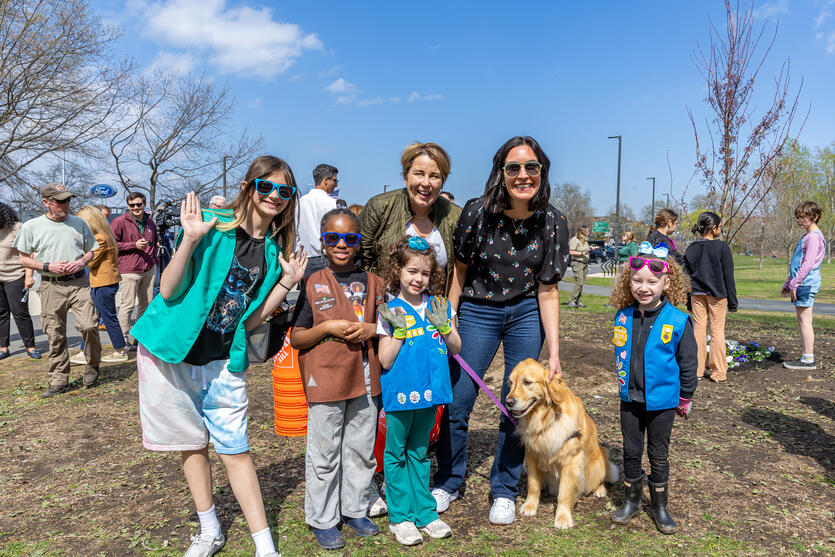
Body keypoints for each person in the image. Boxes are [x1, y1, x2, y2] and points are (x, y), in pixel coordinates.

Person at [130, 156, 306, 557]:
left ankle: (266, 548)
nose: (274, 197)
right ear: (248, 186)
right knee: (191, 444)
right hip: (169, 354)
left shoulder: (274, 249)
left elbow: (252, 318)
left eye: (284, 191)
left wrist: (286, 283)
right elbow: (170, 291)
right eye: (266, 187)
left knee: (236, 449)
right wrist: (190, 238)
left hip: (224, 361)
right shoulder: (210, 225)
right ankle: (209, 530)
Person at [432, 136, 569, 525]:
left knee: (518, 408)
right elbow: (458, 272)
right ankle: (448, 480)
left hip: (526, 311)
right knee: (457, 400)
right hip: (477, 309)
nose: (523, 175)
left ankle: (505, 489)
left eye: (531, 167)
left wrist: (554, 352)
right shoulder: (477, 212)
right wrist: (451, 318)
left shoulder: (553, 221)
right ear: (501, 173)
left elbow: (548, 290)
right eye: (514, 168)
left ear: (542, 171)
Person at [289, 208, 385, 550]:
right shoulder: (312, 283)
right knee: (325, 450)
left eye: (349, 238)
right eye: (333, 238)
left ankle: (356, 508)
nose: (341, 244)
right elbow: (297, 337)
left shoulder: (375, 283)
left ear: (358, 242)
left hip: (365, 376)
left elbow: (395, 325)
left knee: (360, 448)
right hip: (326, 378)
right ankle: (323, 518)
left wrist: (373, 328)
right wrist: (326, 327)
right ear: (323, 241)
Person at [609, 241, 697, 534]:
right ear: (628, 281)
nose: (643, 287)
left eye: (651, 281)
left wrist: (686, 397)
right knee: (631, 451)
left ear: (666, 282)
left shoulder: (678, 320)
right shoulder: (623, 316)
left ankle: (660, 505)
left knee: (658, 453)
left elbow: (688, 363)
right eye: (637, 280)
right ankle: (632, 500)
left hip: (662, 403)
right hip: (630, 400)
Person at [377, 236, 460, 545]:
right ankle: (400, 517)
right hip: (400, 397)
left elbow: (457, 348)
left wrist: (446, 327)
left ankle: (425, 512)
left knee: (420, 453)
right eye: (412, 271)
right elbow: (385, 359)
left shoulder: (439, 306)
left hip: (430, 396)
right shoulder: (389, 310)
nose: (418, 279)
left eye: (425, 273)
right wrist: (397, 332)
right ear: (397, 270)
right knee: (396, 455)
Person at [14, 183, 101, 397]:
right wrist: (47, 266)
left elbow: (92, 251)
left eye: (68, 200)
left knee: (89, 325)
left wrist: (82, 262)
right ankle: (59, 379)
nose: (66, 204)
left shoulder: (79, 223)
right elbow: (23, 258)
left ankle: (92, 365)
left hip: (79, 282)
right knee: (55, 332)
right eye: (60, 201)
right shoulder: (31, 226)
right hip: (51, 285)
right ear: (46, 202)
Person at [360, 143, 461, 287]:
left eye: (434, 176)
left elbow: (460, 269)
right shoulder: (379, 207)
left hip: (436, 307)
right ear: (406, 177)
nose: (426, 183)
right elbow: (362, 259)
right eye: (419, 173)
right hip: (384, 305)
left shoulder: (455, 216)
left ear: (442, 182)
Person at [683, 212, 737, 382]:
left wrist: (687, 299)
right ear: (714, 228)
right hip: (718, 295)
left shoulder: (692, 247)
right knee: (717, 331)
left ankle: (697, 371)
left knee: (698, 331)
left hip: (696, 294)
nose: (721, 229)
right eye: (720, 226)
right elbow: (728, 277)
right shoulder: (722, 248)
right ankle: (719, 371)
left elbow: (686, 276)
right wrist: (733, 302)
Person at [74, 206, 129, 363]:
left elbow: (90, 262)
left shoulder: (100, 238)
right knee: (94, 317)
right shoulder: (102, 236)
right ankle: (85, 351)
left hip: (104, 283)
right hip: (102, 282)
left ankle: (120, 350)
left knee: (107, 317)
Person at [781, 201, 825, 370]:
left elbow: (807, 265)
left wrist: (795, 284)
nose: (799, 220)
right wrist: (788, 283)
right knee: (803, 320)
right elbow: (797, 263)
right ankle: (807, 356)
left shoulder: (814, 237)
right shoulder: (808, 236)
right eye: (797, 217)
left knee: (805, 321)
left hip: (805, 283)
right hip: (801, 282)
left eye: (803, 217)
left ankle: (808, 359)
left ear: (814, 217)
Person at [110, 192, 157, 348]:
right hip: (129, 270)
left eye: (139, 204)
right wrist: (133, 245)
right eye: (132, 205)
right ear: (128, 206)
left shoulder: (150, 222)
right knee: (128, 305)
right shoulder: (119, 222)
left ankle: (140, 337)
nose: (136, 208)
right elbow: (112, 245)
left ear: (144, 204)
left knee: (146, 304)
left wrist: (154, 259)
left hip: (148, 268)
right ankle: (123, 341)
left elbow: (155, 242)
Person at [0, 202, 39, 360]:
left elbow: (30, 253)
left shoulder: (18, 228)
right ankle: (3, 347)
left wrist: (29, 276)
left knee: (20, 312)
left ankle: (31, 347)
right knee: (1, 314)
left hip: (16, 275)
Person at [296, 164, 339, 277]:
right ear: (325, 180)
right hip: (327, 258)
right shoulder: (332, 203)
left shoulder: (300, 203)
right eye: (335, 180)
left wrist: (298, 253)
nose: (336, 184)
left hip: (305, 258)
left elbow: (294, 232)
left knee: (307, 292)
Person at [567, 225, 590, 308]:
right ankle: (572, 301)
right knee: (579, 282)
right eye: (587, 231)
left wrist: (591, 248)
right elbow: (570, 252)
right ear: (583, 232)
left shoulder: (584, 240)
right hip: (577, 263)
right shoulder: (574, 240)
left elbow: (584, 249)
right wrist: (582, 253)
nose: (588, 233)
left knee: (581, 283)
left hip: (584, 263)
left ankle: (578, 301)